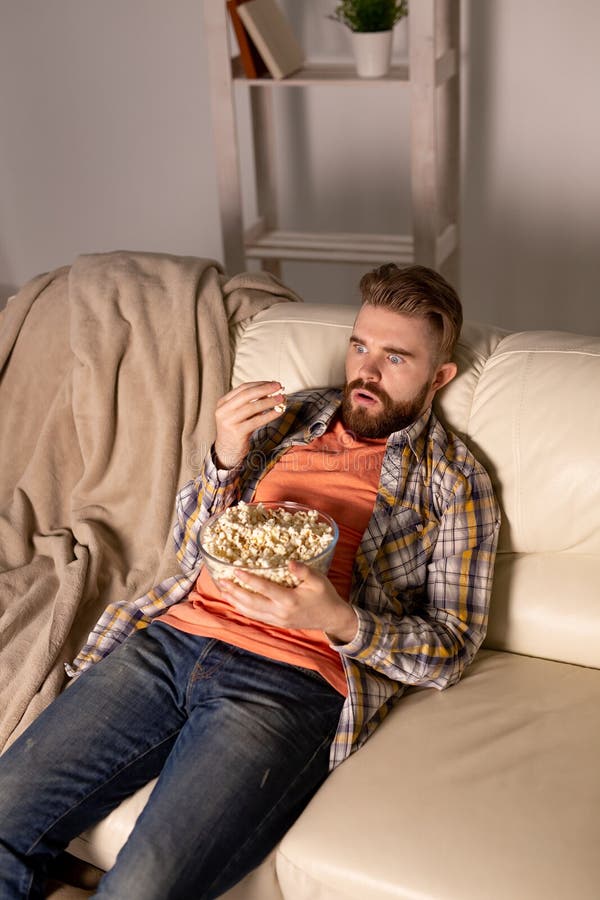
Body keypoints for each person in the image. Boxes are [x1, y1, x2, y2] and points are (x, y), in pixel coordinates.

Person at [0, 264, 500, 899]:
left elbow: (452, 647)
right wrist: (223, 457)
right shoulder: (286, 418)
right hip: (168, 642)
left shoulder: (455, 482)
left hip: (288, 683)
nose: (366, 372)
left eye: (395, 358)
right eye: (359, 345)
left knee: (144, 886)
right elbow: (185, 552)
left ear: (440, 376)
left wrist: (339, 619)